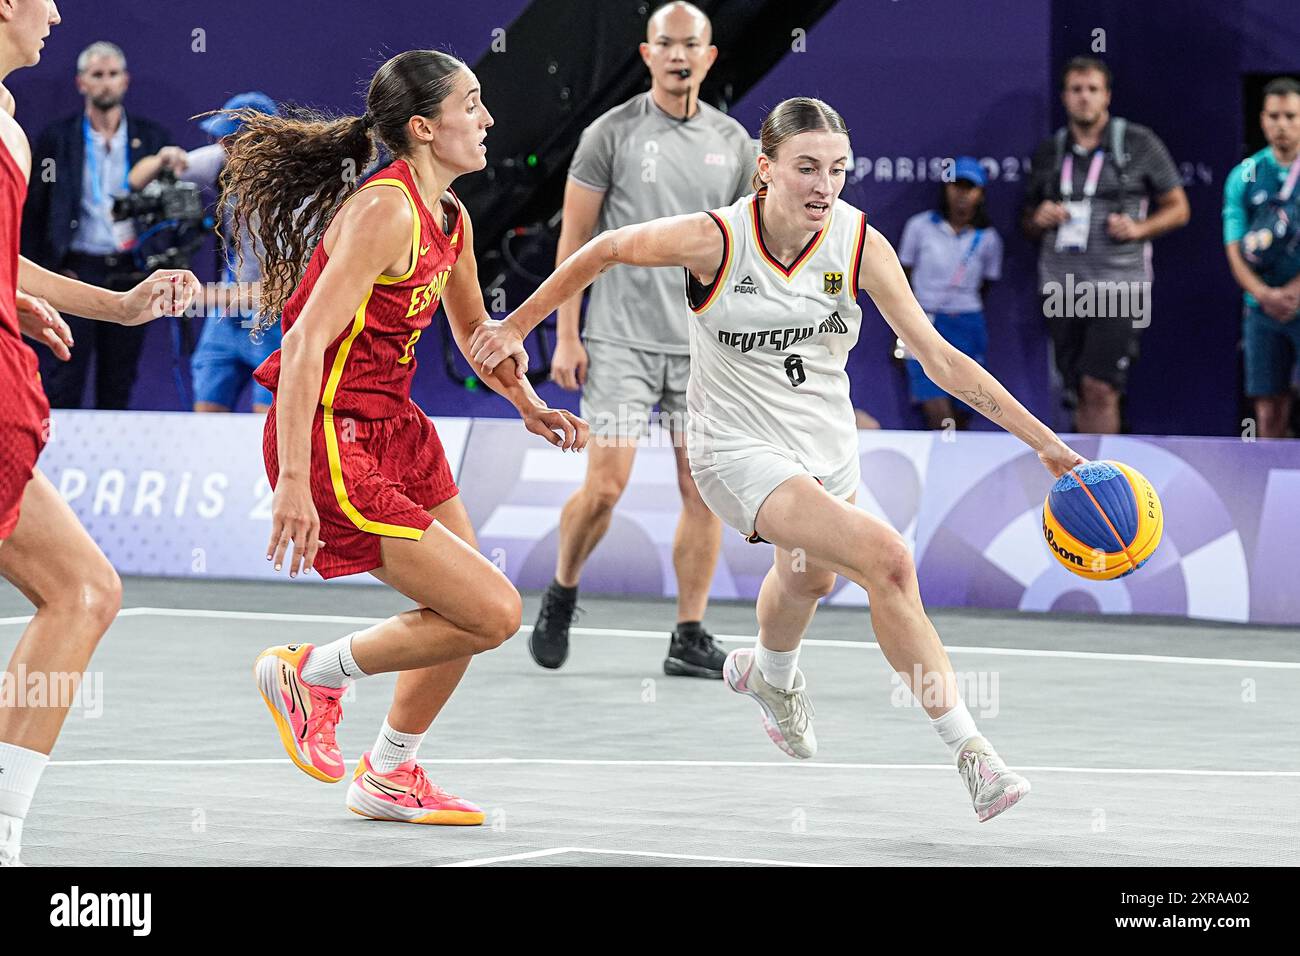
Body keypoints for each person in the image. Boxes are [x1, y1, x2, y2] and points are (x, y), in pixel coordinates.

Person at [471, 96, 1090, 822]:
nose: (824, 185)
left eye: (837, 169)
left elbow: (940, 360)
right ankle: (973, 753)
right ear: (765, 170)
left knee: (808, 580)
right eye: (806, 168)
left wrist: (1045, 443)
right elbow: (606, 248)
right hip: (732, 451)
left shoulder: (859, 243)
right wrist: (516, 324)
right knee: (887, 558)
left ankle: (768, 673)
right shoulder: (715, 240)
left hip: (825, 448)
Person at [218, 50, 588, 826]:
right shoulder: (384, 211)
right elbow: (308, 343)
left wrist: (526, 402)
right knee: (493, 612)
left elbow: (473, 332)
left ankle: (388, 774)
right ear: (424, 128)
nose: (487, 120)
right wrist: (291, 480)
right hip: (329, 432)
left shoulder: (450, 214)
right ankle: (310, 673)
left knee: (464, 612)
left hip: (397, 430)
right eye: (472, 104)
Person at [0, 0, 201, 867]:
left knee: (85, 590)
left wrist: (116, 305)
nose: (56, 12)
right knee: (84, 591)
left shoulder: (6, 117)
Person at [531, 1, 757, 678]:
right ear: (648, 52)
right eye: (667, 44)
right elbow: (575, 240)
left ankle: (688, 634)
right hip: (622, 339)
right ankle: (564, 590)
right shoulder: (611, 133)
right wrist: (566, 334)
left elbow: (748, 249)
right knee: (606, 485)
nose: (680, 55)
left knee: (703, 489)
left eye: (691, 45)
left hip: (702, 348)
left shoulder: (736, 143)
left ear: (709, 57)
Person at [1022, 56, 1189, 434]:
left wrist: (1139, 227)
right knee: (1076, 388)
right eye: (1076, 90)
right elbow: (1028, 222)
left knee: (1100, 386)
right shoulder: (1050, 152)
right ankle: (1092, 473)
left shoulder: (1138, 142)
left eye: (1093, 90)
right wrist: (1040, 217)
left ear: (1107, 96)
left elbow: (1179, 209)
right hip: (1061, 287)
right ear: (1065, 97)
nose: (1085, 98)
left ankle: (1100, 484)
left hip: (1118, 287)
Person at [19, 39, 176, 409]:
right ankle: (53, 461)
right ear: (82, 83)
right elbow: (35, 212)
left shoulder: (151, 140)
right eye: (97, 75)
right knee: (63, 374)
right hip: (74, 269)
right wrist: (51, 270)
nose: (106, 82)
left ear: (125, 81)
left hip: (130, 270)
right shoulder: (58, 140)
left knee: (119, 381)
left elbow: (167, 210)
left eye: (112, 74)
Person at [131, 92, 282, 413]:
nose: (222, 147)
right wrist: (162, 158)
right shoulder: (219, 160)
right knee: (207, 424)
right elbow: (136, 182)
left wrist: (195, 296)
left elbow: (276, 293)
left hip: (277, 321)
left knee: (267, 430)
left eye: (231, 140)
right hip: (226, 316)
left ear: (263, 141)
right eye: (220, 138)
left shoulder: (297, 195)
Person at [897, 156, 1003, 429]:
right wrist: (903, 326)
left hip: (968, 322)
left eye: (970, 188)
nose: (962, 195)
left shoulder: (989, 238)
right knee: (938, 412)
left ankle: (954, 465)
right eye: (956, 186)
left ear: (980, 193)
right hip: (924, 322)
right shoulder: (919, 227)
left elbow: (986, 284)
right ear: (946, 188)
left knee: (966, 405)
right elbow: (901, 278)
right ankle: (943, 459)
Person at [1223, 77, 1300, 439]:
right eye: (1274, 116)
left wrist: (1296, 290)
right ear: (1263, 120)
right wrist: (1263, 294)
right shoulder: (1245, 175)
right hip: (1261, 309)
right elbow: (1234, 246)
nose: (1282, 124)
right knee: (1268, 410)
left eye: (1291, 115)